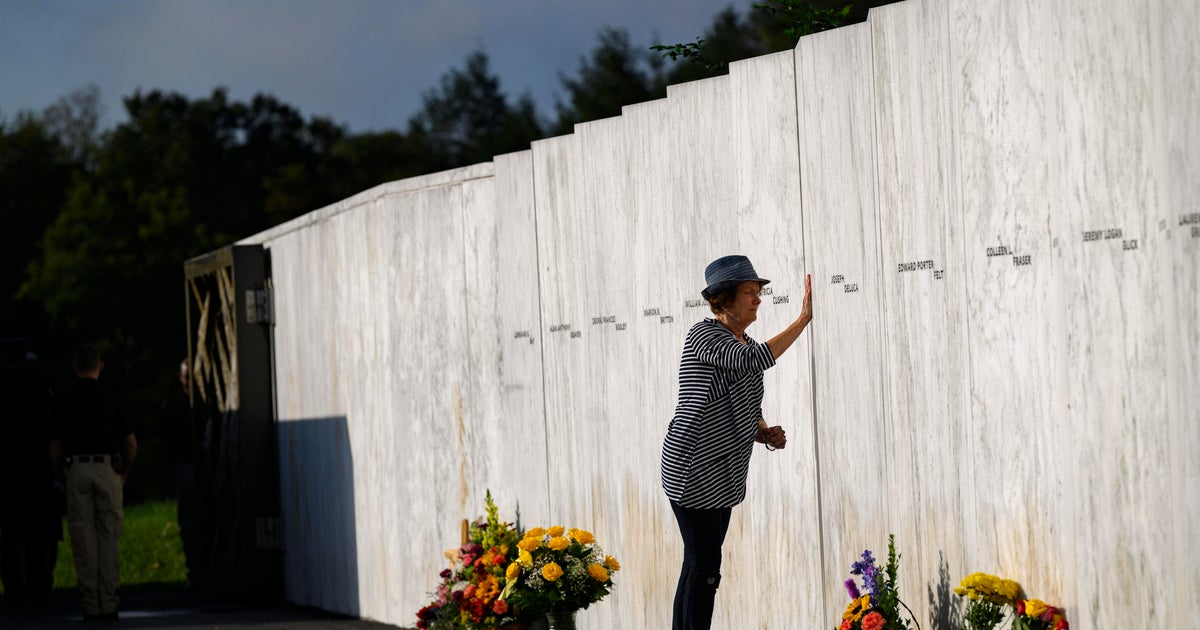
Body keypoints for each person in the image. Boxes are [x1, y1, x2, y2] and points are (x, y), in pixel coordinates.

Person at [660, 255, 813, 630]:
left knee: (698, 564)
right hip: (692, 470)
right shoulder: (704, 336)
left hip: (723, 475)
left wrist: (763, 431)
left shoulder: (744, 341)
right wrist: (802, 320)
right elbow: (751, 361)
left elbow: (747, 401)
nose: (758, 299)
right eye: (749, 292)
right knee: (705, 568)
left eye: (758, 291)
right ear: (724, 299)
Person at [49, 344, 137, 622]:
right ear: (101, 366)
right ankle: (108, 602)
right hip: (106, 467)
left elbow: (54, 445)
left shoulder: (63, 399)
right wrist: (123, 473)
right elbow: (131, 444)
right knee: (108, 538)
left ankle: (90, 604)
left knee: (83, 539)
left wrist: (59, 473)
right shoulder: (113, 399)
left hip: (76, 468)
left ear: (75, 366)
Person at [0, 338, 57, 611]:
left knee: (10, 537)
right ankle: (38, 589)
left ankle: (13, 591)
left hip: (6, 472)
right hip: (37, 470)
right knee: (37, 535)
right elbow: (52, 431)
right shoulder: (38, 387)